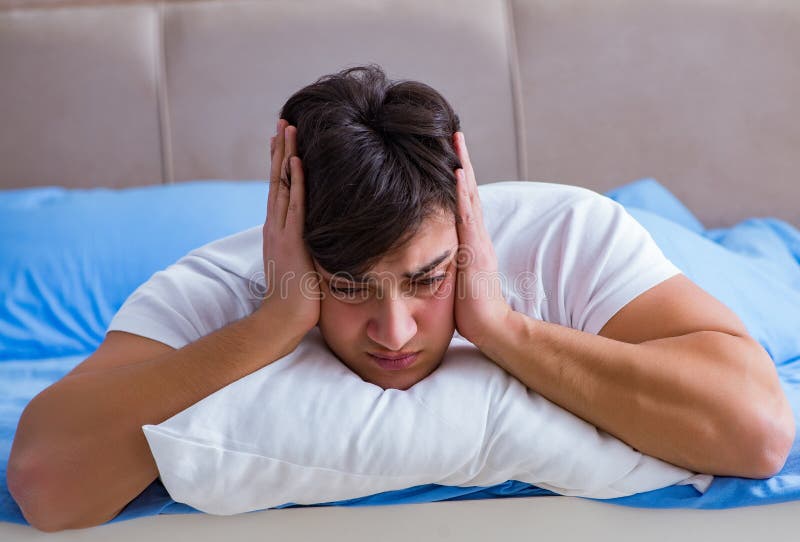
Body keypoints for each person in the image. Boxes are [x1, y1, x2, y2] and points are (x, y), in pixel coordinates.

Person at [7, 65, 794, 532]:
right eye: (349, 287)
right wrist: (273, 324)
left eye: (426, 280)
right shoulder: (225, 283)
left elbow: (757, 433)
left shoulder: (565, 234)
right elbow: (46, 483)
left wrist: (502, 328)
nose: (394, 330)